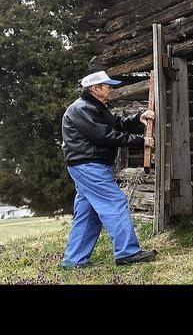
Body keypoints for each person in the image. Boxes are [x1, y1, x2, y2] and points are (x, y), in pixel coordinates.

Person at [59, 71, 158, 268]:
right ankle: (127, 253)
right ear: (94, 89)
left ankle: (73, 260)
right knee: (114, 202)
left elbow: (116, 124)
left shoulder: (96, 107)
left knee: (88, 214)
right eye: (107, 86)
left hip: (88, 166)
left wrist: (137, 119)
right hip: (89, 166)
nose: (111, 89)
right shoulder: (81, 109)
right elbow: (104, 135)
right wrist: (140, 141)